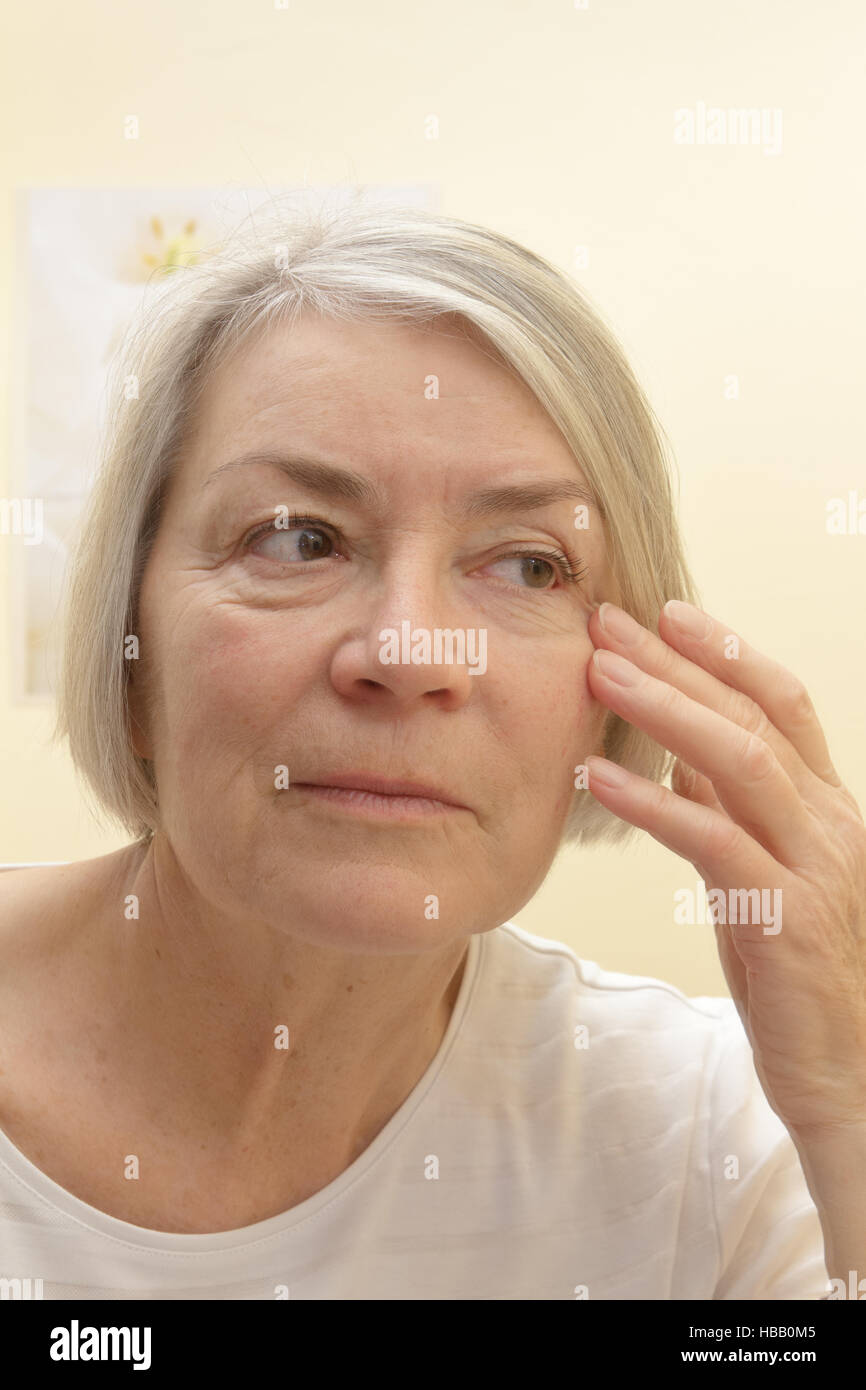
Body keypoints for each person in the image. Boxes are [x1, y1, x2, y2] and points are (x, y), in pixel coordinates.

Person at [0, 196, 863, 1300]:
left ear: (620, 693)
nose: (409, 651)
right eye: (297, 538)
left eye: (526, 565)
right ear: (132, 657)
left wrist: (849, 1108)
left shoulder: (714, 1135)